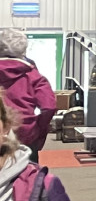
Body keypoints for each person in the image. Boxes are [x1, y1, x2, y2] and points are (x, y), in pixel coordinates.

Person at [0, 32, 57, 163]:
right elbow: (49, 106)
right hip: (25, 134)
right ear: (23, 50)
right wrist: (39, 129)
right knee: (27, 178)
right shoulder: (33, 76)